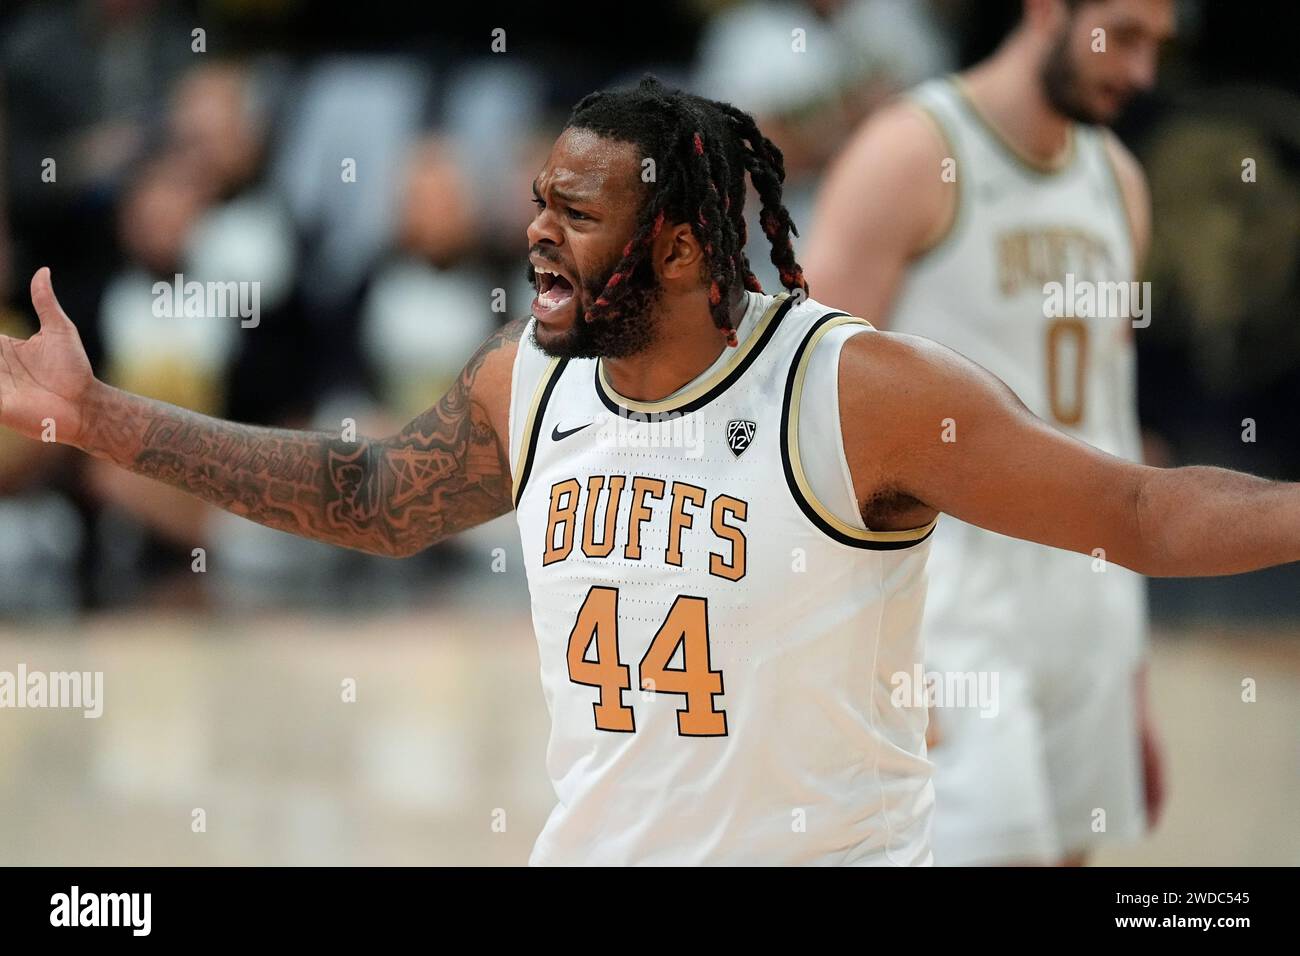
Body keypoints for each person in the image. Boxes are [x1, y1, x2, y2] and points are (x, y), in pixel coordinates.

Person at [2, 76, 1293, 867]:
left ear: (678, 248)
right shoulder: (534, 375)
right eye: (539, 203)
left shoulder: (858, 394)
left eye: (575, 214)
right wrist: (103, 418)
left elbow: (1138, 510)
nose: (534, 237)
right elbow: (370, 501)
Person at [803, 0, 1174, 864]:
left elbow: (1111, 421)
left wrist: (1133, 676)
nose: (1142, 72)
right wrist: (843, 648)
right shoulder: (913, 152)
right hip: (953, 603)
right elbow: (805, 409)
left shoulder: (1118, 179)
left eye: (1157, 44)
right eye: (1122, 35)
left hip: (1088, 603)